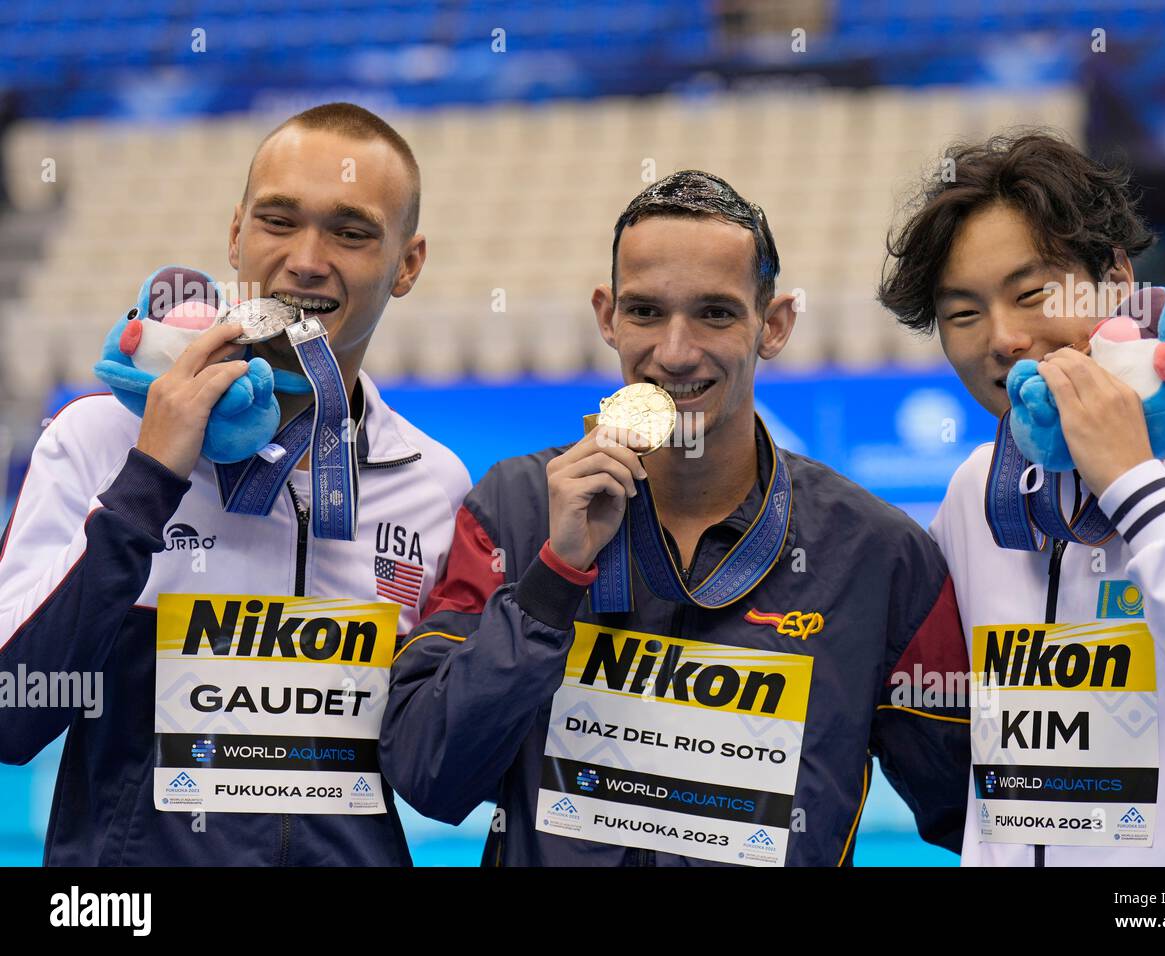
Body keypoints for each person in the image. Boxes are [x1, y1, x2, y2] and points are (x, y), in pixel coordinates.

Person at [381, 170, 970, 866]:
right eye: (645, 312)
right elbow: (428, 774)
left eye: (716, 313)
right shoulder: (515, 507)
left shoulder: (877, 554)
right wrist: (554, 579)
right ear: (607, 315)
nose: (676, 352)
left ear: (773, 325)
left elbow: (972, 810)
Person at [0, 102, 470, 865]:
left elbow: (437, 767)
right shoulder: (101, 437)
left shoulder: (433, 483)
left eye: (351, 231)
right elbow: (12, 717)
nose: (307, 259)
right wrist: (150, 479)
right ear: (235, 235)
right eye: (278, 221)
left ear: (408, 264)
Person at [879, 131, 1165, 865]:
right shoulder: (979, 490)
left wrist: (1138, 488)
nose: (1004, 339)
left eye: (1033, 293)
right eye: (963, 314)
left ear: (1116, 280)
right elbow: (936, 742)